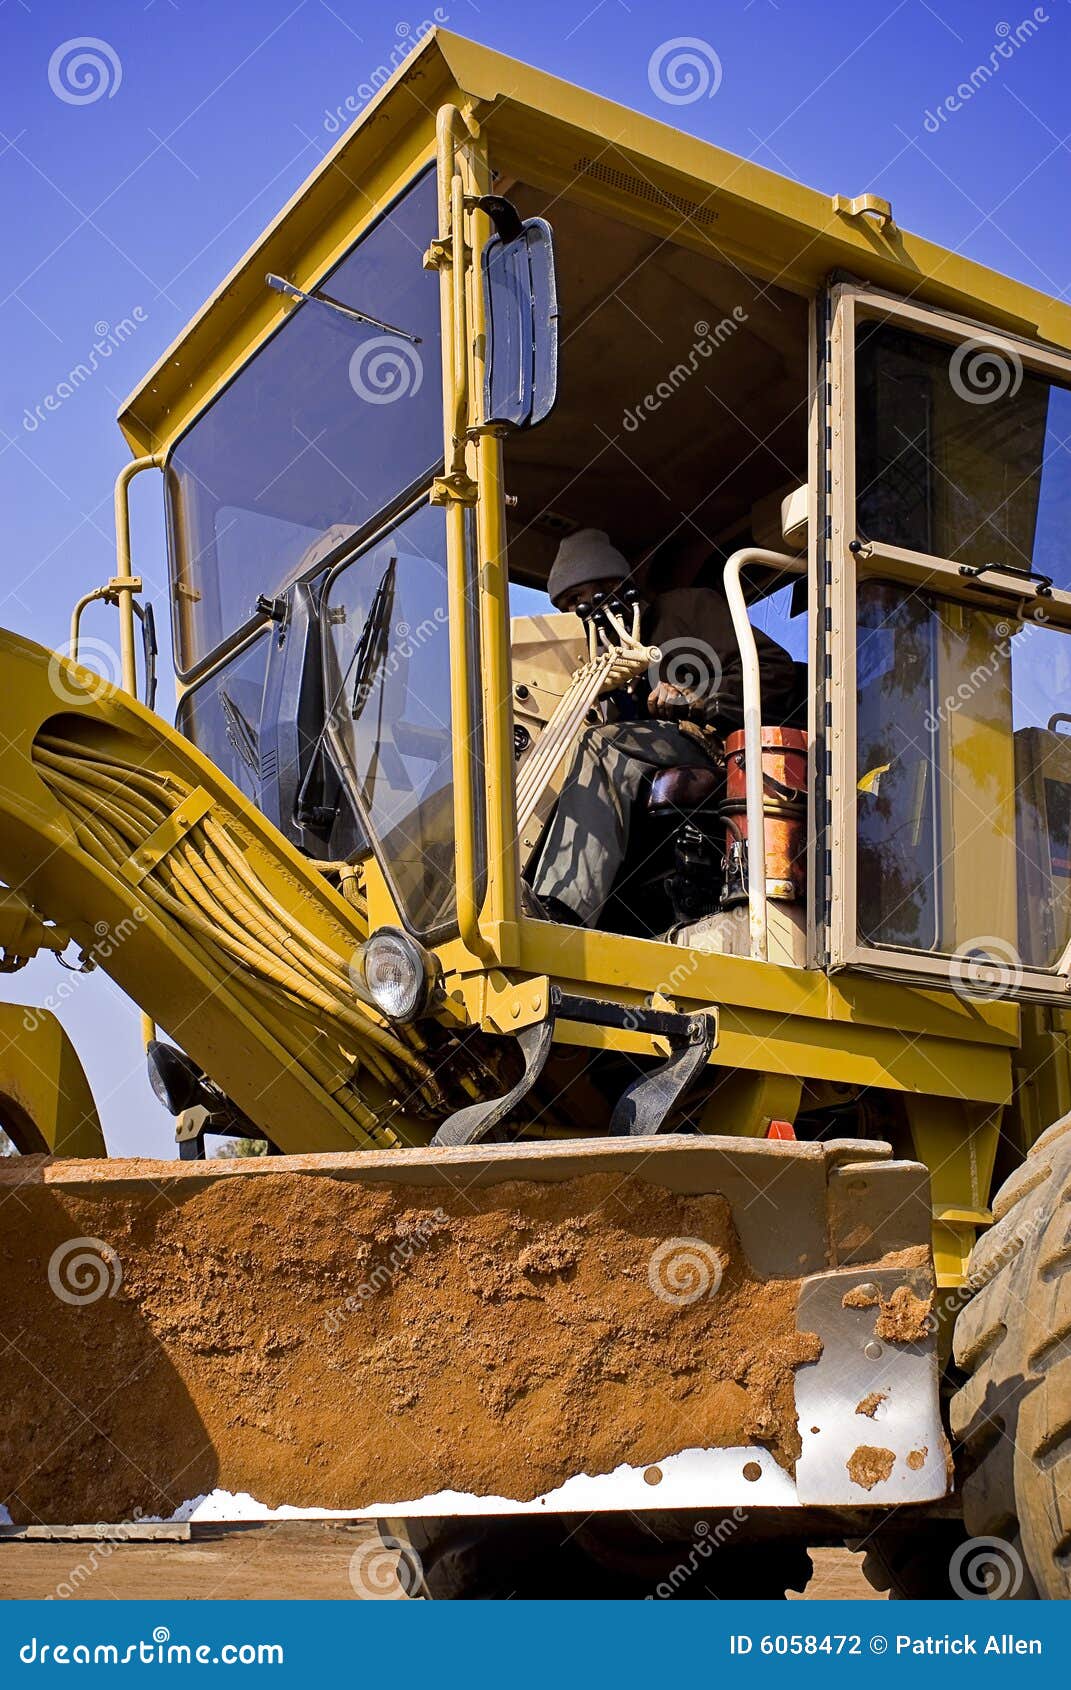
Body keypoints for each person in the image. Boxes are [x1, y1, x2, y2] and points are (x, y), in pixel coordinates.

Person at [530, 528, 797, 927]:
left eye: (583, 595)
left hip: (710, 746)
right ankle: (524, 894)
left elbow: (775, 671)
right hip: (637, 764)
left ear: (614, 585)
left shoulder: (688, 609)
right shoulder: (590, 661)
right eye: (569, 604)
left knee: (601, 745)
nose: (580, 609)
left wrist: (699, 701)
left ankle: (562, 911)